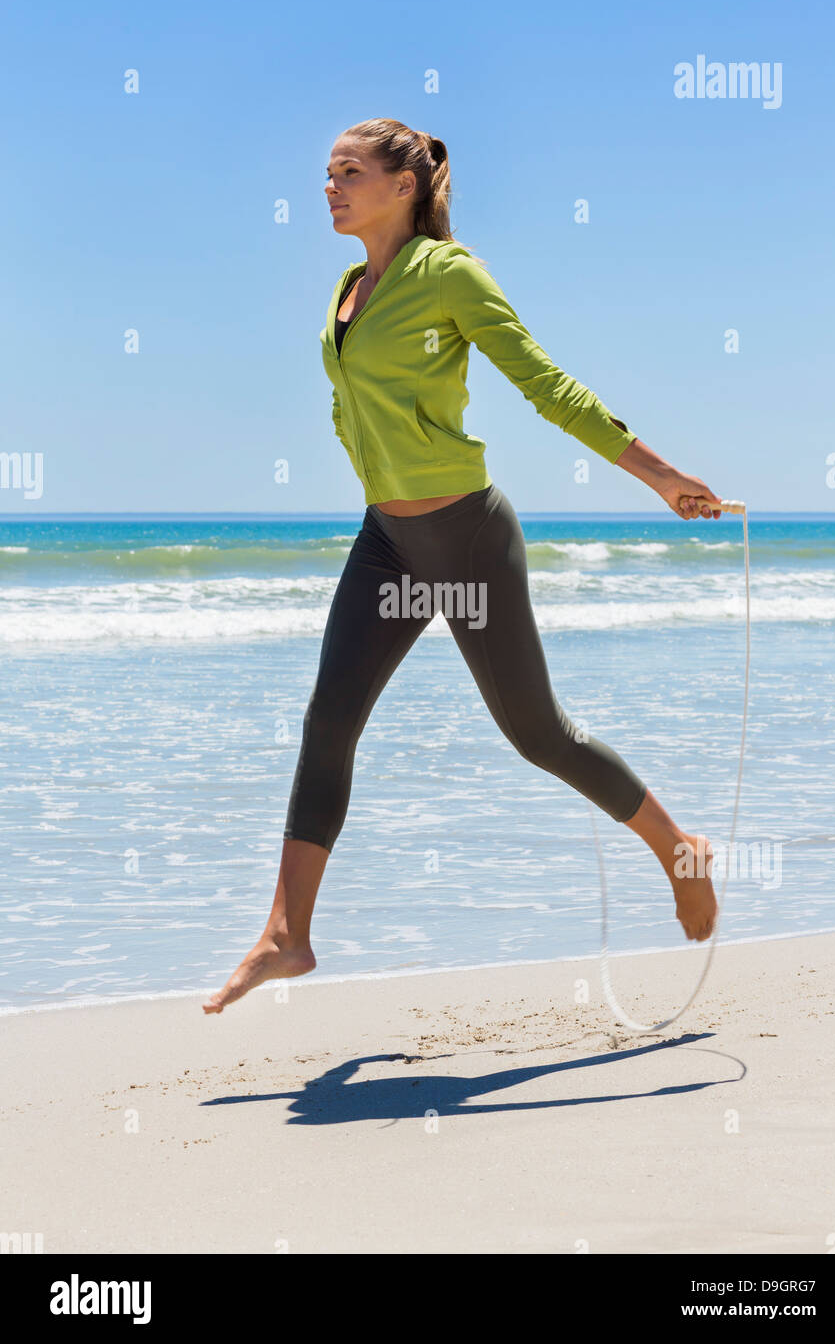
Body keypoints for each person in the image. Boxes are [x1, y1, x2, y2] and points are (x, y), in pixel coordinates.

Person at [203, 118, 720, 1015]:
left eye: (348, 172)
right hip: (389, 541)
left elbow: (545, 383)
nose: (328, 186)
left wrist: (662, 476)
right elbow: (352, 409)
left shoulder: (449, 274)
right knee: (328, 722)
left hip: (467, 539)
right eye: (326, 174)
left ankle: (680, 848)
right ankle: (287, 935)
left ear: (403, 185)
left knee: (537, 736)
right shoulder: (347, 289)